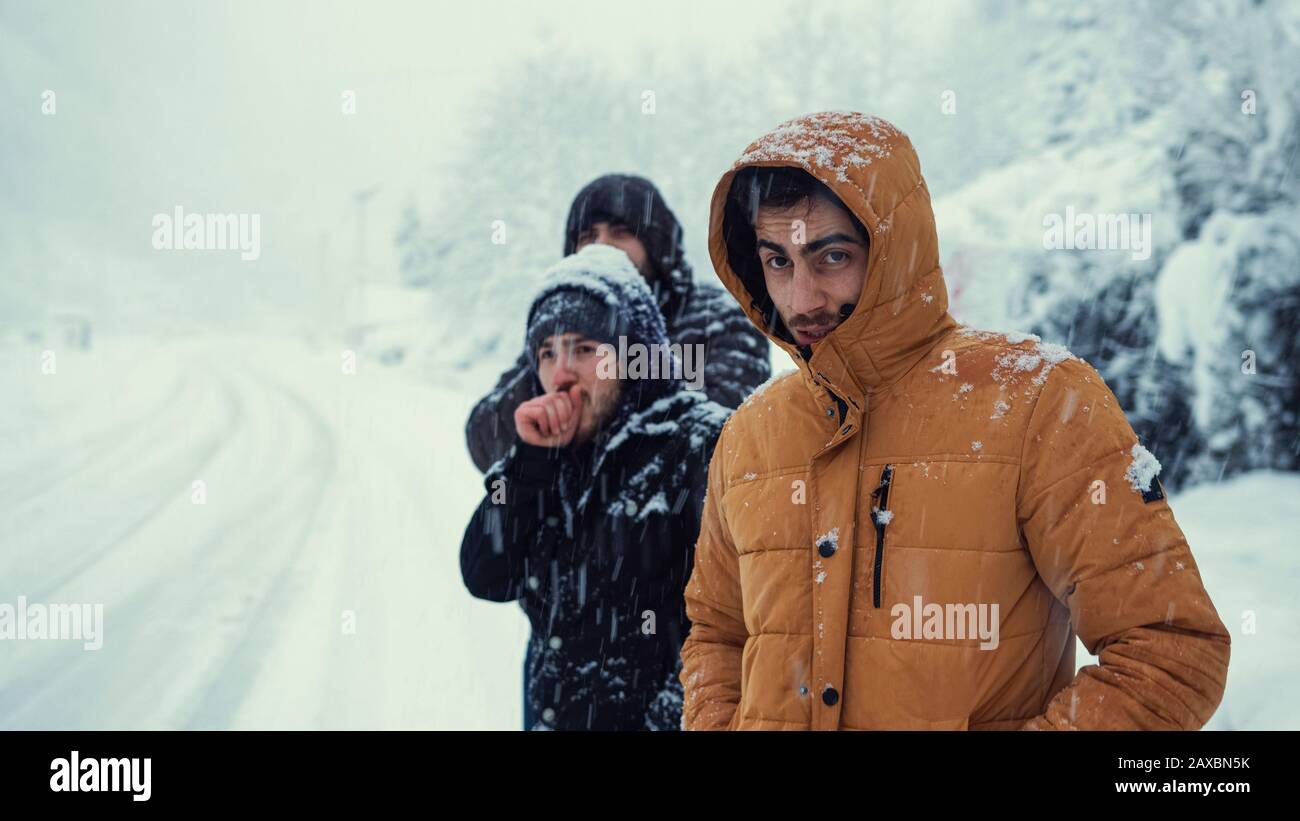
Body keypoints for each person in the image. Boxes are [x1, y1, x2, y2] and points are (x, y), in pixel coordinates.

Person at [679, 111, 1231, 730]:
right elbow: (717, 635)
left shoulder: (1036, 399)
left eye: (831, 256)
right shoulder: (750, 436)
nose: (800, 298)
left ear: (895, 251)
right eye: (777, 262)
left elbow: (1171, 648)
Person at [460, 244, 728, 730]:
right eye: (546, 352)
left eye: (584, 349)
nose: (560, 373)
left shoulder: (701, 444)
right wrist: (529, 463)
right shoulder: (548, 455)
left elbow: (743, 625)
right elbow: (486, 575)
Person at [464, 173, 769, 474]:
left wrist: (602, 403)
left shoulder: (716, 316)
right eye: (587, 237)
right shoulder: (562, 332)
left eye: (620, 233)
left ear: (656, 245)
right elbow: (484, 438)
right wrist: (555, 391)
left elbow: (731, 432)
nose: (602, 246)